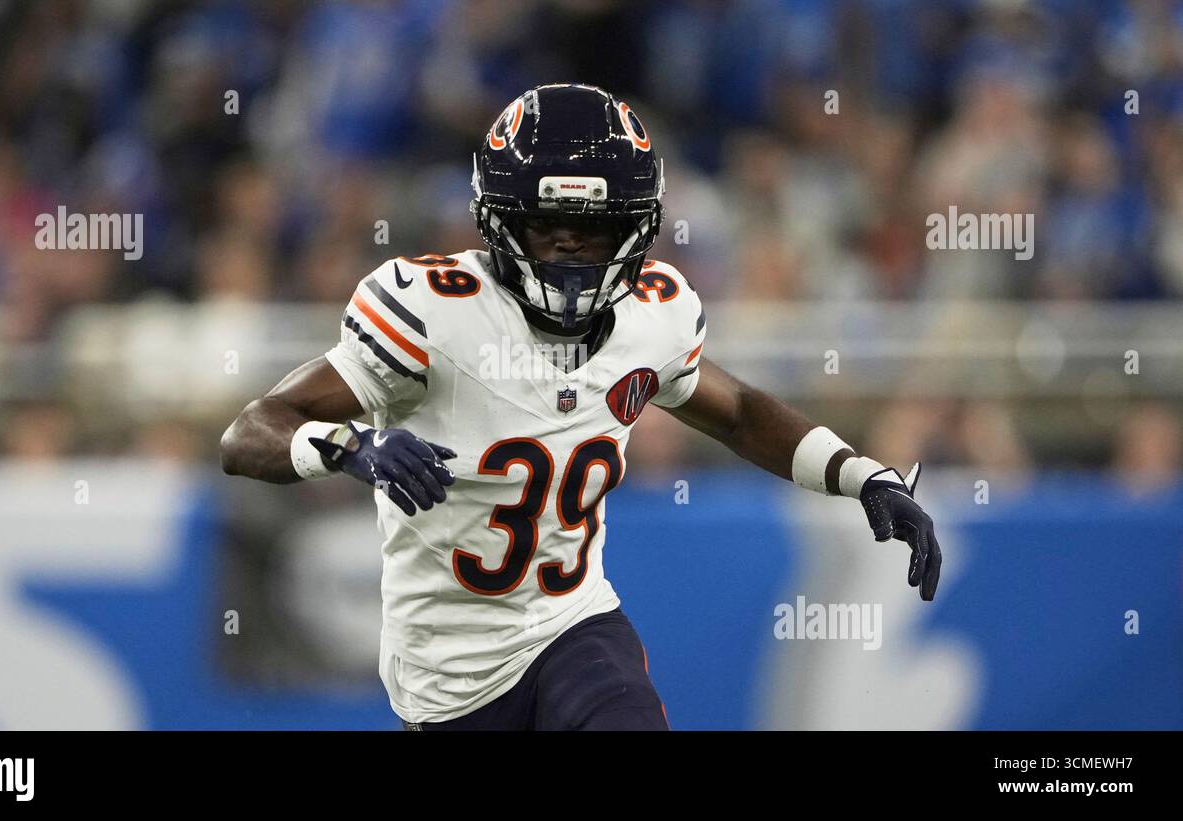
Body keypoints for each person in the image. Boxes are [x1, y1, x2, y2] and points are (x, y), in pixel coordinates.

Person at [220, 83, 942, 731]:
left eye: (591, 232)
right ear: (500, 222)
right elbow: (248, 431)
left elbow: (740, 412)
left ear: (635, 228)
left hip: (573, 626)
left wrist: (861, 474)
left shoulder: (652, 317)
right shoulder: (433, 313)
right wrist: (347, 447)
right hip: (449, 673)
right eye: (548, 228)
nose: (569, 251)